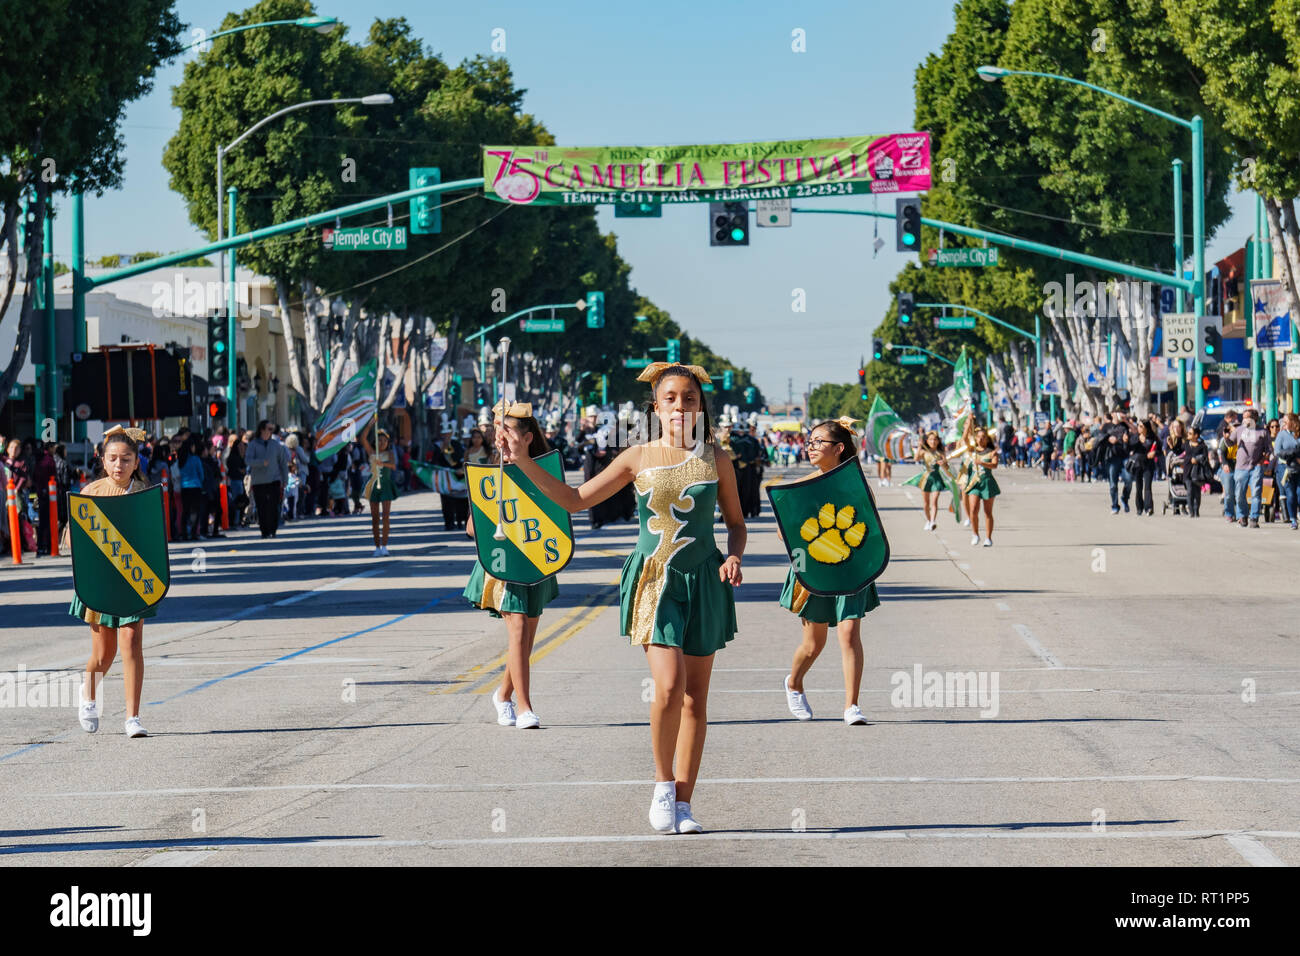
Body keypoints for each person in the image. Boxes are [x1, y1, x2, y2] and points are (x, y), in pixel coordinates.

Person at [497, 363, 744, 836]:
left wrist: (734, 556)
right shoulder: (637, 457)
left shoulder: (718, 459)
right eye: (670, 398)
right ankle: (661, 786)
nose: (680, 405)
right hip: (654, 581)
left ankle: (685, 803)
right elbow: (575, 500)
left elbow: (736, 523)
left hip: (704, 581)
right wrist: (524, 462)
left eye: (689, 398)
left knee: (695, 700)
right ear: (656, 406)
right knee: (669, 686)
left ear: (700, 405)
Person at [464, 402, 558, 731]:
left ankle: (503, 694)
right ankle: (525, 707)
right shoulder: (491, 472)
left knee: (526, 637)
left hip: (536, 559)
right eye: (497, 431)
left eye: (507, 432)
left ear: (528, 438)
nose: (499, 438)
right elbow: (471, 529)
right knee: (518, 629)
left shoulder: (545, 469)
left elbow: (559, 512)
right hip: (504, 562)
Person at [781, 418, 881, 727]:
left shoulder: (857, 486)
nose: (810, 447)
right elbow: (787, 532)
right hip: (815, 568)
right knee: (814, 644)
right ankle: (794, 682)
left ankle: (852, 705)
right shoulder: (804, 487)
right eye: (809, 442)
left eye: (818, 442)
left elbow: (872, 530)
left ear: (838, 448)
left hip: (850, 568)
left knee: (849, 634)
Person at [66, 426, 155, 738]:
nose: (119, 465)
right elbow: (70, 541)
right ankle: (88, 693)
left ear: (135, 462)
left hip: (132, 579)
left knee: (131, 642)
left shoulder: (144, 493)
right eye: (113, 459)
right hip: (100, 582)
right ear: (103, 461)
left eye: (126, 459)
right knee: (104, 655)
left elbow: (154, 542)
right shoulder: (91, 492)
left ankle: (133, 717)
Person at [961, 417, 1000, 547]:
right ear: (975, 438)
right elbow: (964, 439)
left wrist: (982, 463)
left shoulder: (992, 452)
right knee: (973, 509)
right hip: (974, 483)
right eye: (978, 437)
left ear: (987, 439)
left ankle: (988, 538)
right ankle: (975, 534)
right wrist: (968, 423)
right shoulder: (972, 451)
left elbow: (994, 465)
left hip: (987, 483)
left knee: (988, 512)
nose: (981, 439)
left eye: (984, 437)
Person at [245, 420, 288, 538]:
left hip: (274, 480)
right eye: (269, 429)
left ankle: (273, 530)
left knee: (274, 506)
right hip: (259, 481)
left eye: (272, 429)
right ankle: (264, 531)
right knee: (262, 507)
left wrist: (285, 480)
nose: (271, 431)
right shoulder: (253, 444)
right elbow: (248, 461)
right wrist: (260, 463)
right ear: (262, 429)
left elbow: (283, 463)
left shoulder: (276, 445)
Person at [361, 427, 398, 556]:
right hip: (373, 485)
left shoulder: (390, 454)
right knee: (375, 518)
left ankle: (385, 545)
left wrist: (382, 463)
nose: (382, 443)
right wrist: (371, 424)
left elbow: (393, 466)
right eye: (379, 440)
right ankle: (377, 547)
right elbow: (363, 439)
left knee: (386, 517)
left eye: (384, 441)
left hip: (386, 485)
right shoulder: (371, 452)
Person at [1232, 408, 1271, 528]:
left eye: (1247, 417)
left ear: (1254, 418)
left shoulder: (1263, 432)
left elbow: (1269, 450)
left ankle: (1254, 517)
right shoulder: (1238, 430)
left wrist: (1261, 461)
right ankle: (1242, 516)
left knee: (1256, 493)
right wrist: (1227, 437)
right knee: (1239, 494)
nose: (1244, 420)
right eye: (1243, 417)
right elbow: (1229, 443)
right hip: (1240, 467)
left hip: (1255, 467)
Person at [913, 430, 956, 531]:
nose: (933, 441)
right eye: (931, 439)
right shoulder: (924, 451)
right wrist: (919, 446)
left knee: (935, 500)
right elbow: (916, 459)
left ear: (938, 441)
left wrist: (944, 464)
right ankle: (928, 520)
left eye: (935, 439)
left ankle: (933, 521)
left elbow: (946, 467)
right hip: (926, 479)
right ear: (927, 441)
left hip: (937, 479)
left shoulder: (940, 453)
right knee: (926, 504)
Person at [1099, 411, 1133, 514]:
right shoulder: (1106, 426)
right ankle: (1114, 506)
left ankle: (1124, 498)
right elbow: (1099, 438)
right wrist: (1108, 438)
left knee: (1129, 479)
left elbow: (1135, 431)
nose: (1119, 415)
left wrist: (1125, 420)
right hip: (1111, 457)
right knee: (1113, 484)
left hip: (1124, 456)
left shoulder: (1124, 425)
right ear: (1112, 414)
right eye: (1116, 413)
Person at [1274, 414, 1300, 529]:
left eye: (1285, 422)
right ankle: (1293, 519)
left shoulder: (1298, 434)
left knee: (1299, 494)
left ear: (1293, 422)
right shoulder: (1282, 435)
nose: (1283, 424)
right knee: (1290, 494)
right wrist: (1293, 453)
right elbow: (1278, 451)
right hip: (1286, 468)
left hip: (1298, 468)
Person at [1131, 420, 1159, 516]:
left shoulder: (1153, 438)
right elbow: (1129, 448)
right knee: (1138, 487)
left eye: (1141, 426)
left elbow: (1159, 450)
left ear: (1146, 428)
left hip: (1148, 465)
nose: (1139, 428)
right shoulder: (1135, 438)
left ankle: (1149, 508)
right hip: (1137, 464)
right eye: (1138, 426)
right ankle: (1139, 507)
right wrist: (1126, 442)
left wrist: (1154, 453)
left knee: (1147, 487)